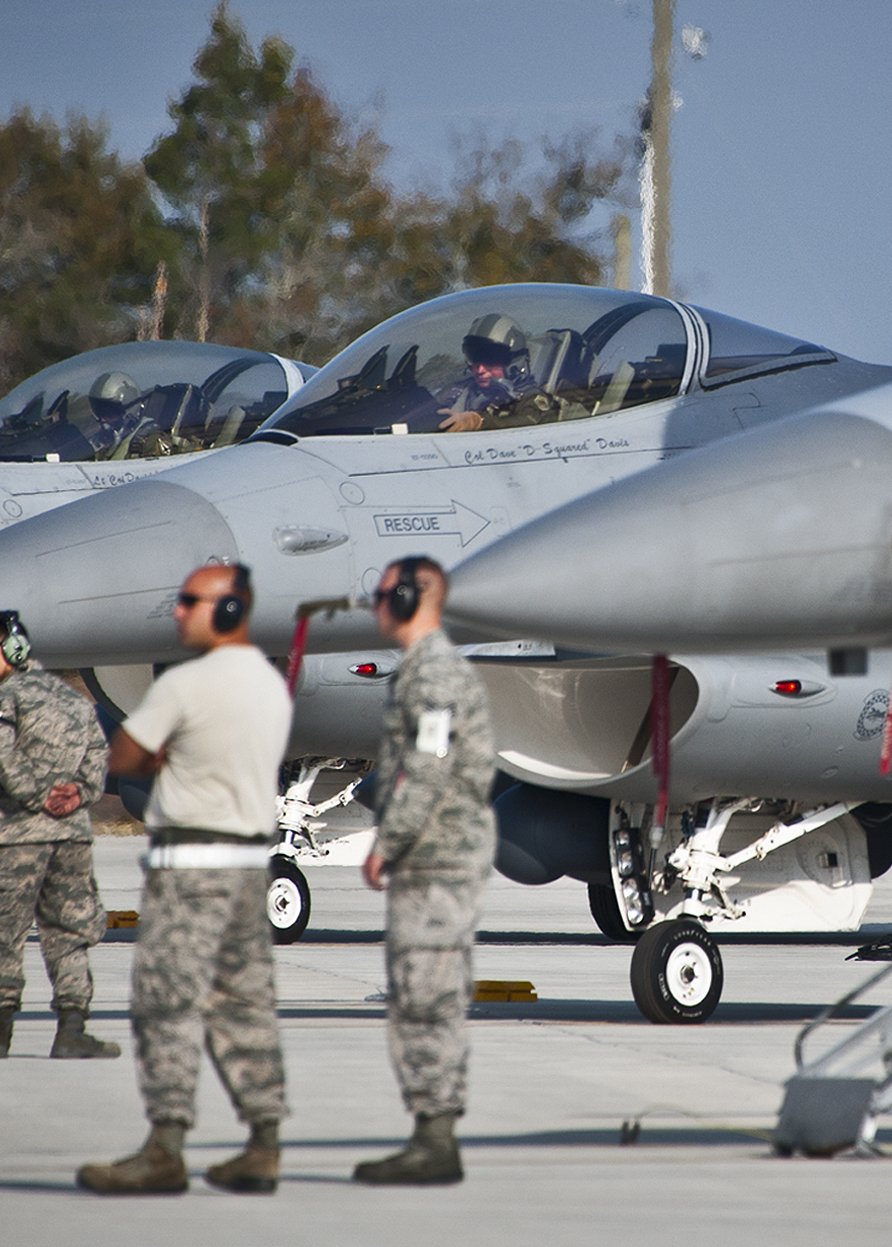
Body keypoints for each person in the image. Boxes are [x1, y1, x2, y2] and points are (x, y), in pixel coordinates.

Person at [76, 563, 293, 1197]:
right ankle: (264, 1142)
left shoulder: (189, 683)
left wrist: (165, 749)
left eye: (190, 602)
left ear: (228, 612)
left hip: (190, 869)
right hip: (249, 870)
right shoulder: (270, 686)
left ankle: (165, 1147)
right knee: (245, 1009)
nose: (178, 612)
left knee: (166, 1005)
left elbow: (124, 755)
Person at [355, 555, 498, 1186]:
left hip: (437, 858)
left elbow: (429, 765)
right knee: (419, 990)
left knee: (427, 993)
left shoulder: (434, 673)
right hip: (433, 856)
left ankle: (435, 1138)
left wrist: (387, 841)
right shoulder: (423, 669)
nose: (374, 603)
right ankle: (429, 1132)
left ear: (413, 598)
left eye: (383, 593)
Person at [0, 610, 121, 1061]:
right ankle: (71, 1031)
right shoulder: (74, 700)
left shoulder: (6, 697)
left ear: (13, 650)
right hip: (71, 836)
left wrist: (36, 796)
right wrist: (77, 795)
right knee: (70, 933)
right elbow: (98, 752)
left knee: (4, 931)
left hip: (18, 834)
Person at [438, 314, 551, 432]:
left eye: (490, 360)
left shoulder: (530, 398)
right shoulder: (457, 392)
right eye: (475, 358)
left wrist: (478, 422)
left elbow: (526, 425)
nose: (480, 370)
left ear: (513, 363)